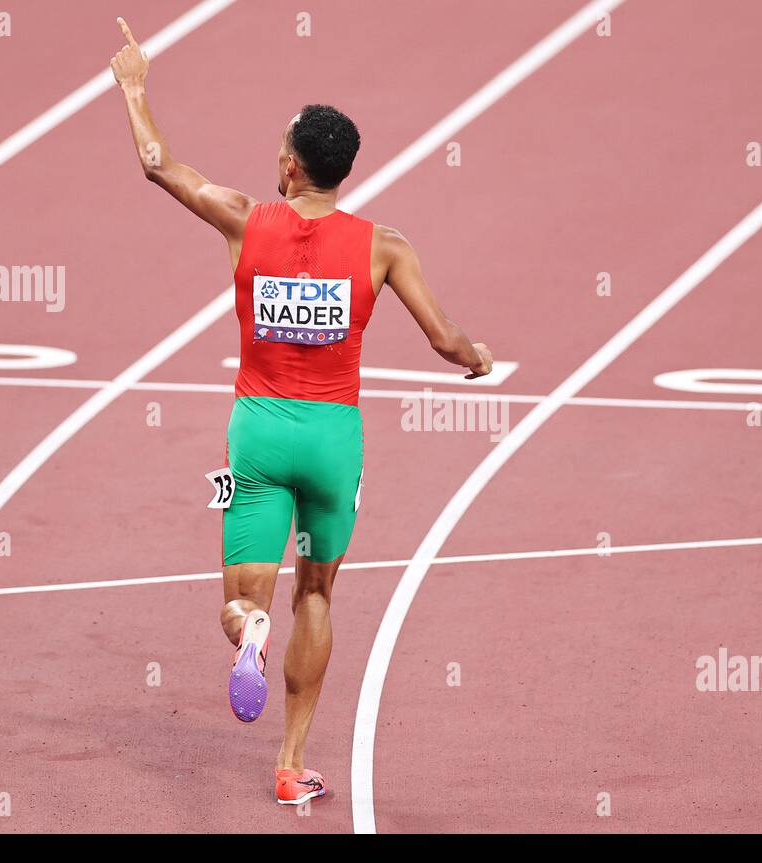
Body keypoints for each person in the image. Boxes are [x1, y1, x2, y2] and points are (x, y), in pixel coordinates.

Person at [110, 19, 493, 805]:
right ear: (341, 172)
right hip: (332, 443)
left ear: (289, 165)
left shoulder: (245, 219)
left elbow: (158, 166)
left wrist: (135, 86)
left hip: (256, 434)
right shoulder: (383, 244)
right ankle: (290, 765)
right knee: (315, 594)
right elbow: (445, 337)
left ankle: (248, 628)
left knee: (242, 594)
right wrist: (478, 358)